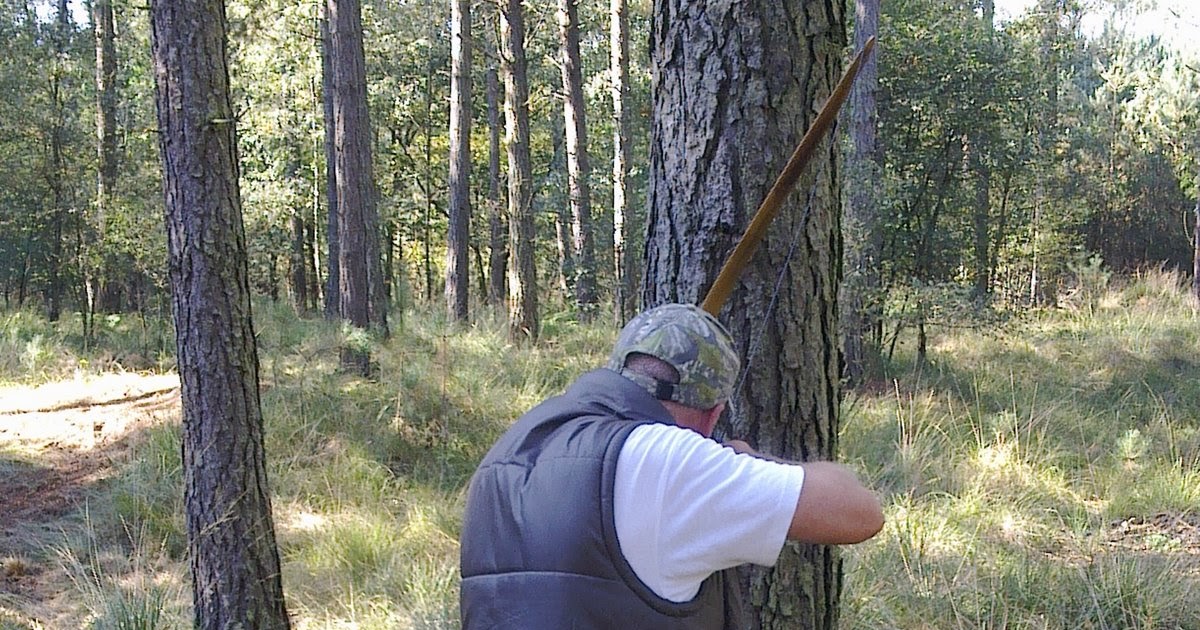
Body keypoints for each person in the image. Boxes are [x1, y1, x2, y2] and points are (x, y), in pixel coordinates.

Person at [460, 303, 884, 629]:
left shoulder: (506, 452)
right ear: (712, 414)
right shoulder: (667, 462)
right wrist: (752, 461)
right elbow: (859, 513)